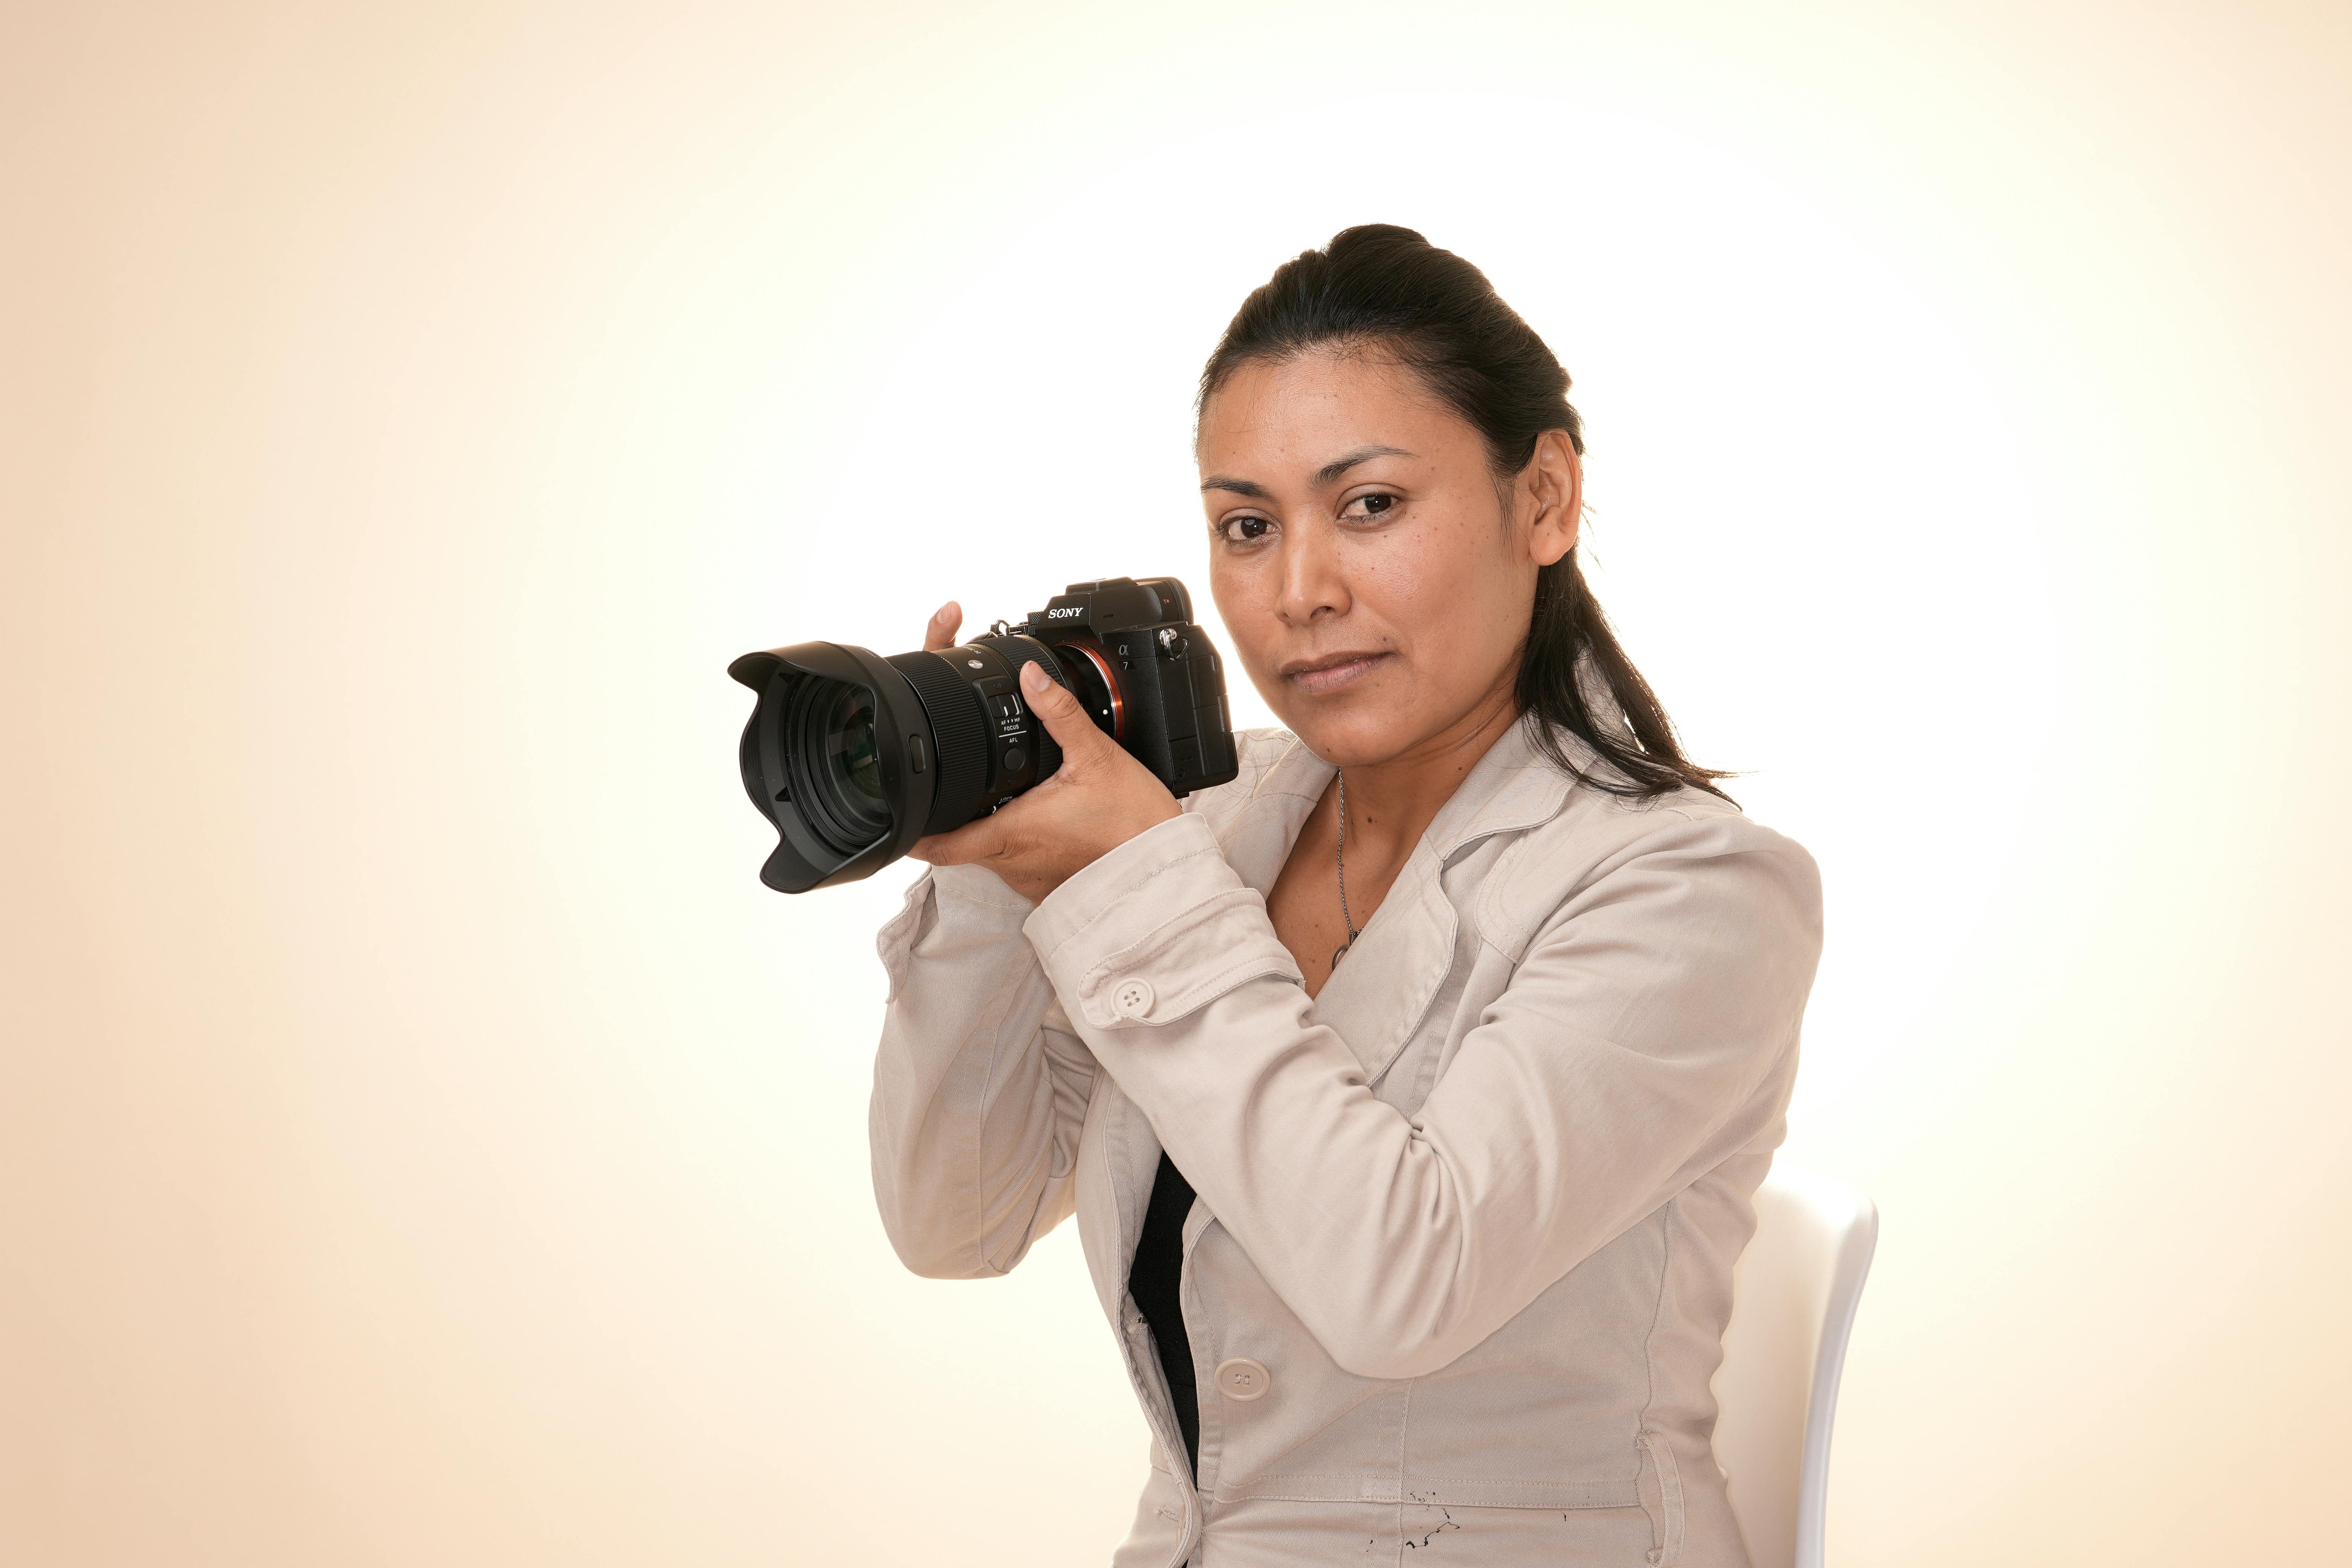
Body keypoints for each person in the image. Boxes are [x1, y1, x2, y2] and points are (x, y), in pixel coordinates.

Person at [868, 225, 1822, 1567]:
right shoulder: (1215, 832)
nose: (1300, 593)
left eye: (1370, 505)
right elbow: (955, 1221)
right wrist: (994, 855)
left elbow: (1402, 1285)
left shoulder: (1695, 891)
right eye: (1247, 528)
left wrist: (1133, 880)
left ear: (1544, 500)